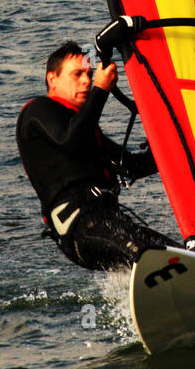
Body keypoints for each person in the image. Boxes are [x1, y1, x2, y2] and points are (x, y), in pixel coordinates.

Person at [16, 40, 180, 271]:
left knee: (178, 254)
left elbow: (131, 166)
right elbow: (69, 140)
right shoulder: (38, 111)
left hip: (107, 222)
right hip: (80, 226)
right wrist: (101, 90)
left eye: (89, 74)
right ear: (52, 79)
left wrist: (176, 145)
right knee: (151, 256)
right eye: (77, 74)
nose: (86, 80)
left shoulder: (87, 130)